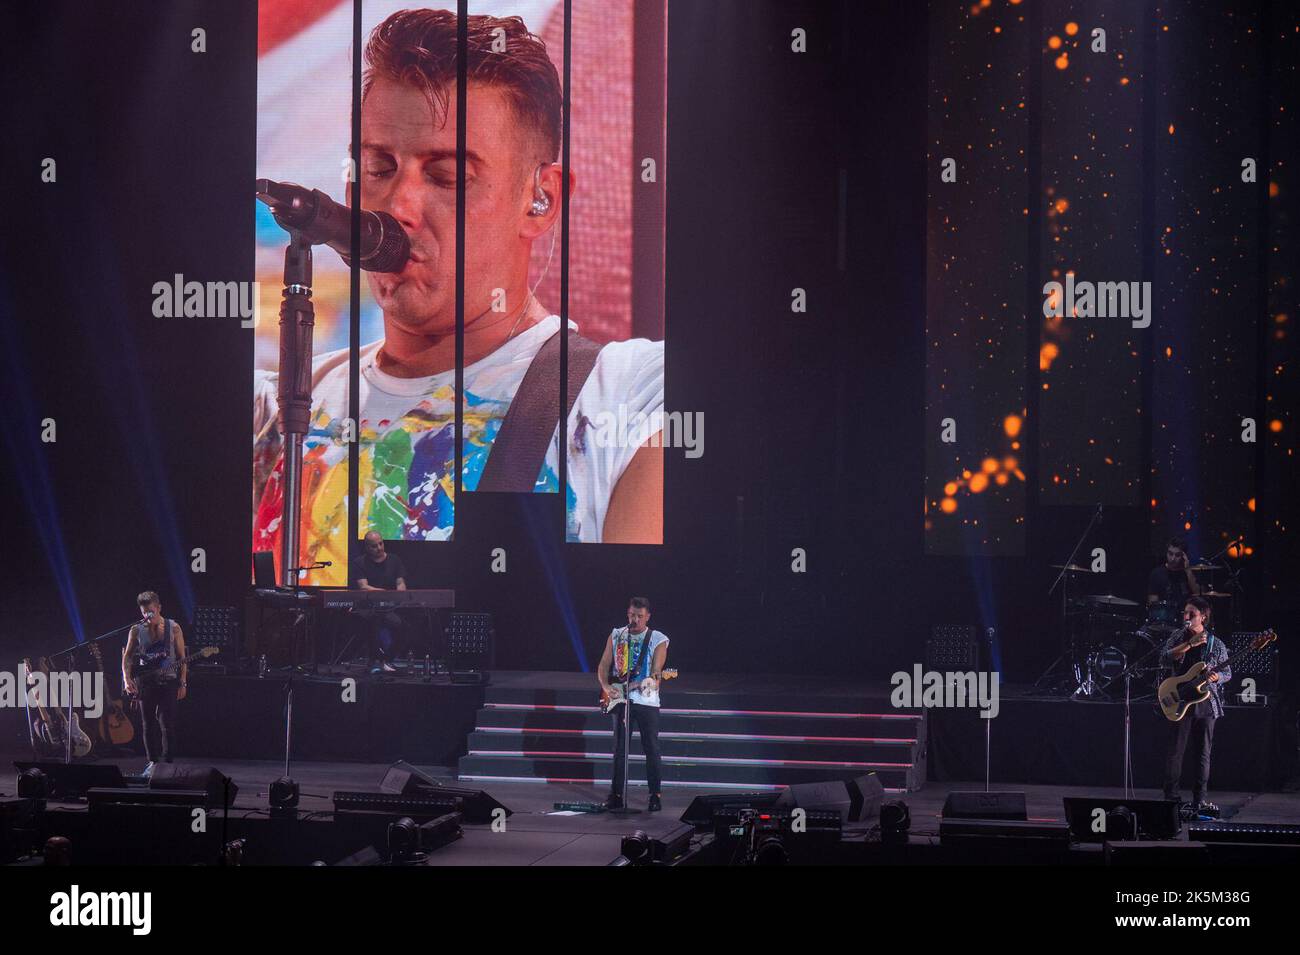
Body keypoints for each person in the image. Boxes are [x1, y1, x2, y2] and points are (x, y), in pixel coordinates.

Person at [253, 9, 664, 581]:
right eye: (380, 168)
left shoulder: (635, 395)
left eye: (447, 176)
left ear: (539, 199)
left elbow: (631, 643)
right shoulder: (269, 414)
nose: (397, 206)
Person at [597, 597, 669, 812]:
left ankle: (654, 795)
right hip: (620, 699)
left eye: (639, 616)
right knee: (619, 749)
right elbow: (603, 664)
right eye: (631, 615)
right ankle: (616, 794)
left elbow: (657, 672)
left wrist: (651, 682)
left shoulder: (657, 638)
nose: (635, 619)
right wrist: (606, 686)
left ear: (647, 616)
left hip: (646, 700)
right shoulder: (617, 634)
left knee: (651, 748)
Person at [1160, 595, 1230, 814]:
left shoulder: (1215, 643)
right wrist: (1188, 644)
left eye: (1191, 613)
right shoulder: (1178, 636)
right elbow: (1164, 657)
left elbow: (1227, 672)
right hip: (1180, 699)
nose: (1186, 616)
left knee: (1202, 753)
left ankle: (1200, 800)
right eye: (1185, 612)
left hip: (1205, 702)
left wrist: (1216, 678)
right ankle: (1171, 798)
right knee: (1175, 752)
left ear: (1203, 617)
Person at [122, 591, 188, 777]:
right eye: (144, 612)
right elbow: (127, 658)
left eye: (150, 611)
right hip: (146, 682)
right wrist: (127, 679)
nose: (147, 616)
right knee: (147, 723)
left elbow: (183, 658)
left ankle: (167, 764)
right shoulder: (136, 630)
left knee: (167, 724)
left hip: (169, 681)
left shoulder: (173, 627)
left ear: (158, 608)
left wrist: (183, 683)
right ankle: (152, 762)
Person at [350, 531, 408, 672]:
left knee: (403, 626)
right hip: (368, 607)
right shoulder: (359, 562)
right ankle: (375, 660)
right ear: (367, 548)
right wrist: (384, 594)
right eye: (374, 546)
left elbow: (400, 583)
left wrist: (399, 596)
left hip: (390, 607)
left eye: (381, 543)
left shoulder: (395, 560)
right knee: (373, 621)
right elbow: (363, 586)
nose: (380, 548)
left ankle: (387, 659)